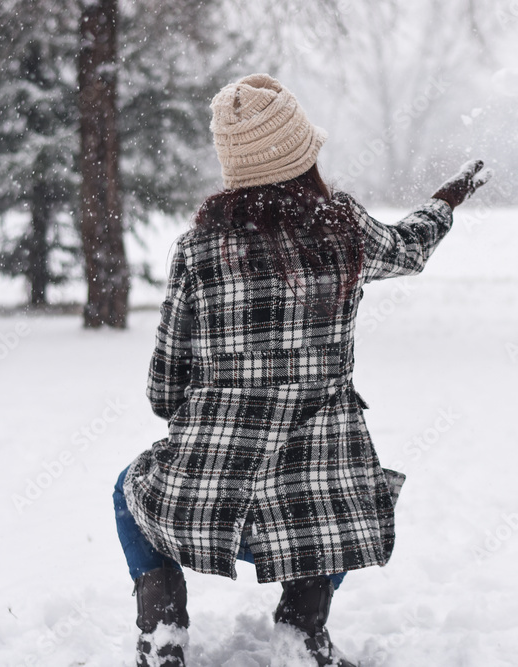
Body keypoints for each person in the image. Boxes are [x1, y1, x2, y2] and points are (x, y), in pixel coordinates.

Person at [113, 73, 490, 667]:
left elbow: (164, 385)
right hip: (313, 494)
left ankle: (162, 628)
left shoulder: (199, 248)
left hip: (211, 491)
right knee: (346, 494)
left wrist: (208, 410)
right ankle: (302, 624)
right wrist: (442, 204)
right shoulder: (343, 230)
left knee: (127, 488)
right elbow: (408, 249)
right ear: (302, 154)